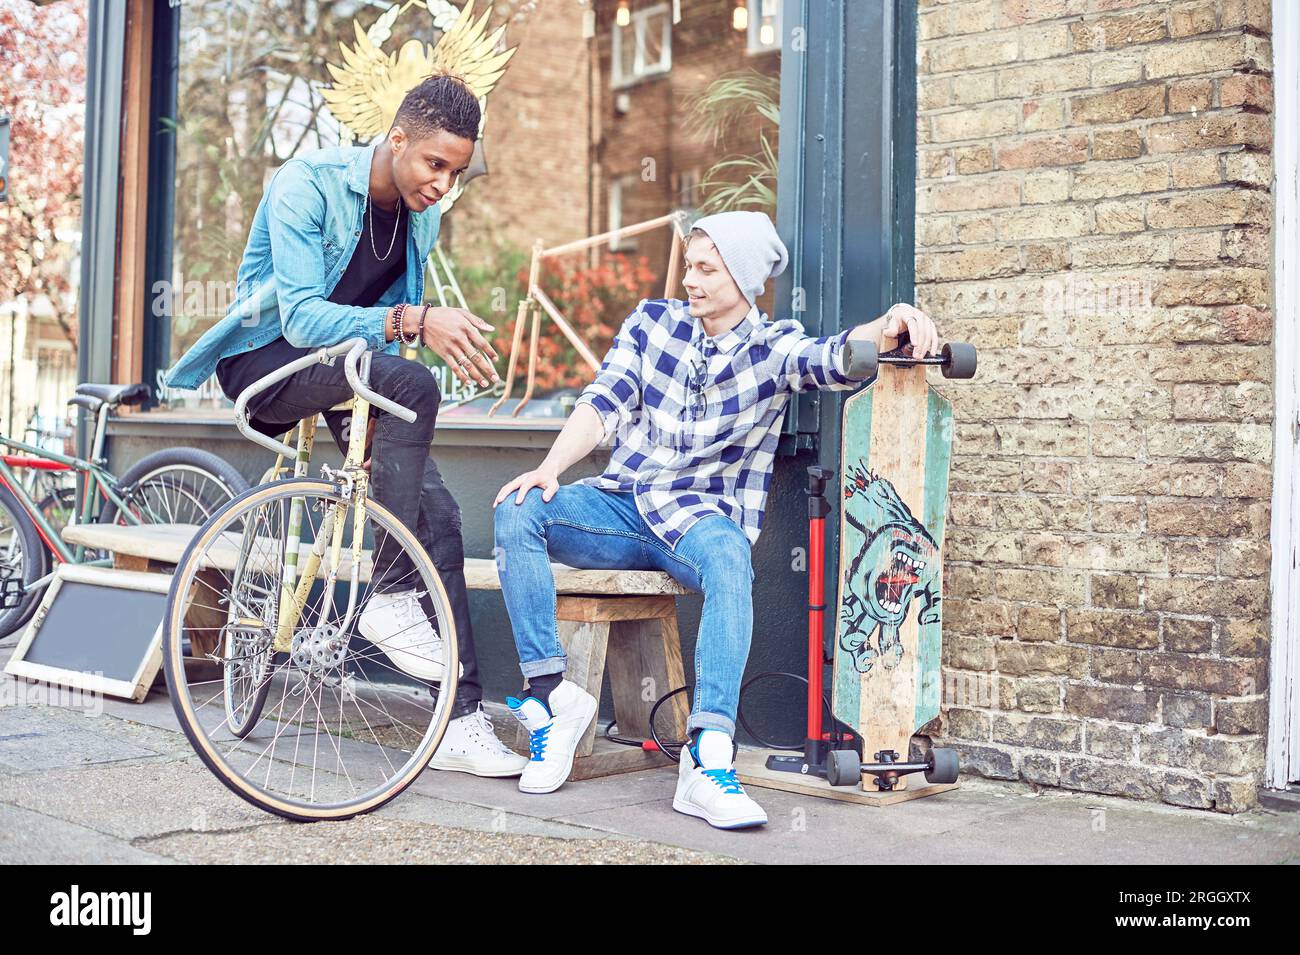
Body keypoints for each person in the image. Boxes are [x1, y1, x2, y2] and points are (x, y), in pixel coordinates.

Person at [492, 210, 942, 828]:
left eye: (707, 267)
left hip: (700, 521)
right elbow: (604, 401)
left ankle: (707, 758)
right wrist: (549, 468)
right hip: (622, 505)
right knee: (519, 506)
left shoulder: (772, 347)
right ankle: (553, 699)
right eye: (689, 265)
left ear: (743, 277)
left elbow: (837, 357)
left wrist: (891, 324)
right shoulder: (652, 324)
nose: (691, 279)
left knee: (731, 558)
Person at [165, 74, 526, 779]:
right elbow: (300, 316)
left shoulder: (423, 213)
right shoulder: (306, 183)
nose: (443, 185)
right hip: (265, 363)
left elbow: (386, 325)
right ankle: (387, 595)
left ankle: (459, 718)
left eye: (455, 170)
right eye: (434, 164)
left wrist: (408, 336)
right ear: (397, 140)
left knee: (440, 515)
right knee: (411, 380)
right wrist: (415, 323)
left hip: (350, 366)